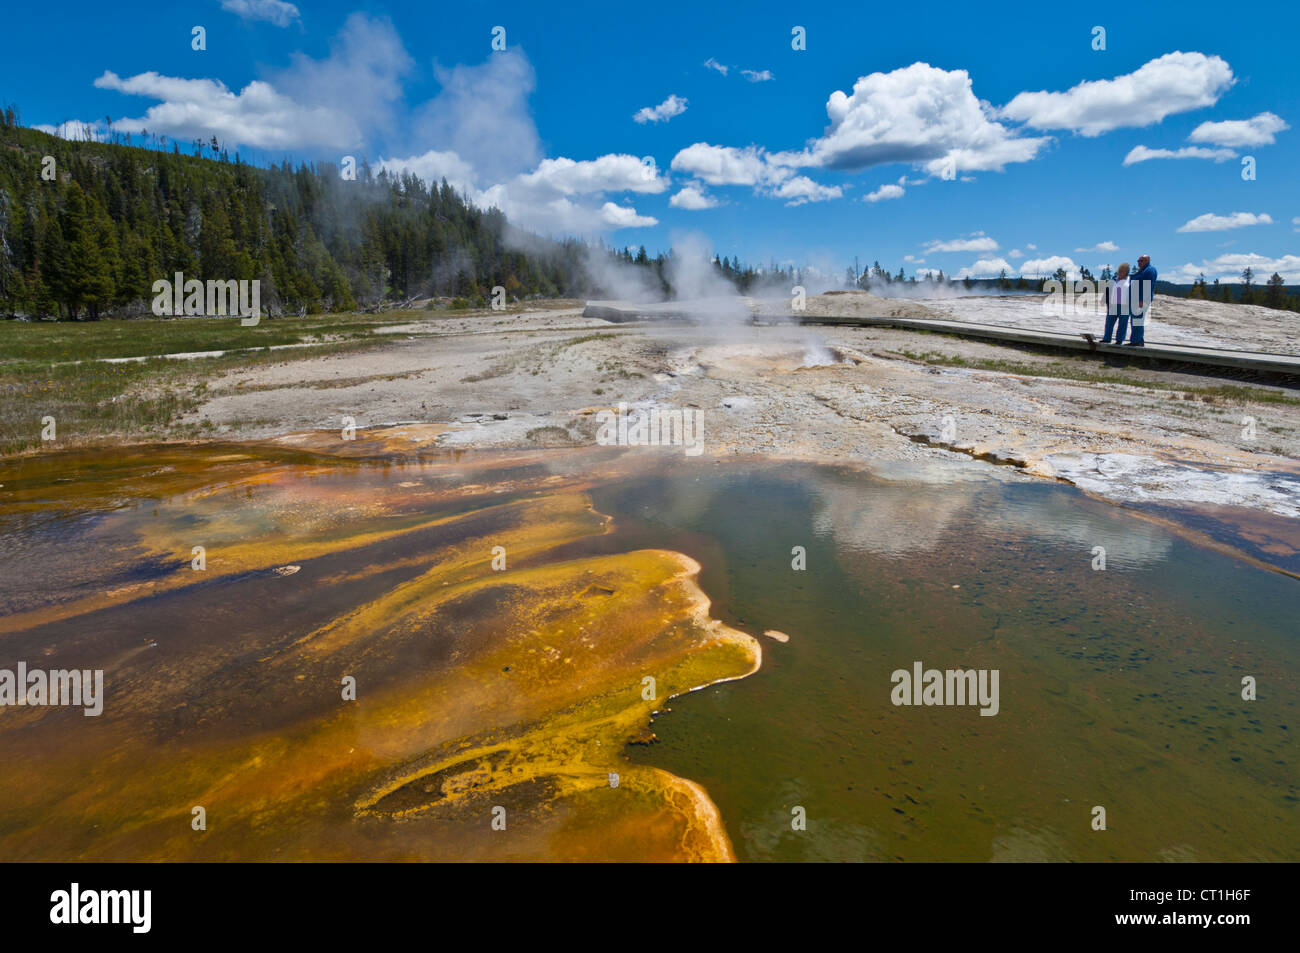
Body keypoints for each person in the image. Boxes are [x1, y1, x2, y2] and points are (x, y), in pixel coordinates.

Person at [1126, 254, 1157, 346]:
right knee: (1136, 320)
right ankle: (1138, 340)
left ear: (1147, 261)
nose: (1139, 262)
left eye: (1141, 261)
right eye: (1138, 261)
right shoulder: (1143, 270)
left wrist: (1141, 300)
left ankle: (1136, 342)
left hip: (1140, 300)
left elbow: (1147, 286)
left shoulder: (1149, 270)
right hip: (1135, 300)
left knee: (1137, 321)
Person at [1102, 262, 1132, 344]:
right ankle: (1107, 338)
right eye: (1119, 271)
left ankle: (1119, 340)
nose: (1120, 273)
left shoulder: (1130, 282)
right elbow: (1107, 293)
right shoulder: (1113, 281)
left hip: (1125, 306)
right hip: (1113, 305)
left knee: (1122, 324)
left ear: (1126, 272)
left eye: (1122, 271)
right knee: (1109, 323)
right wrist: (1107, 304)